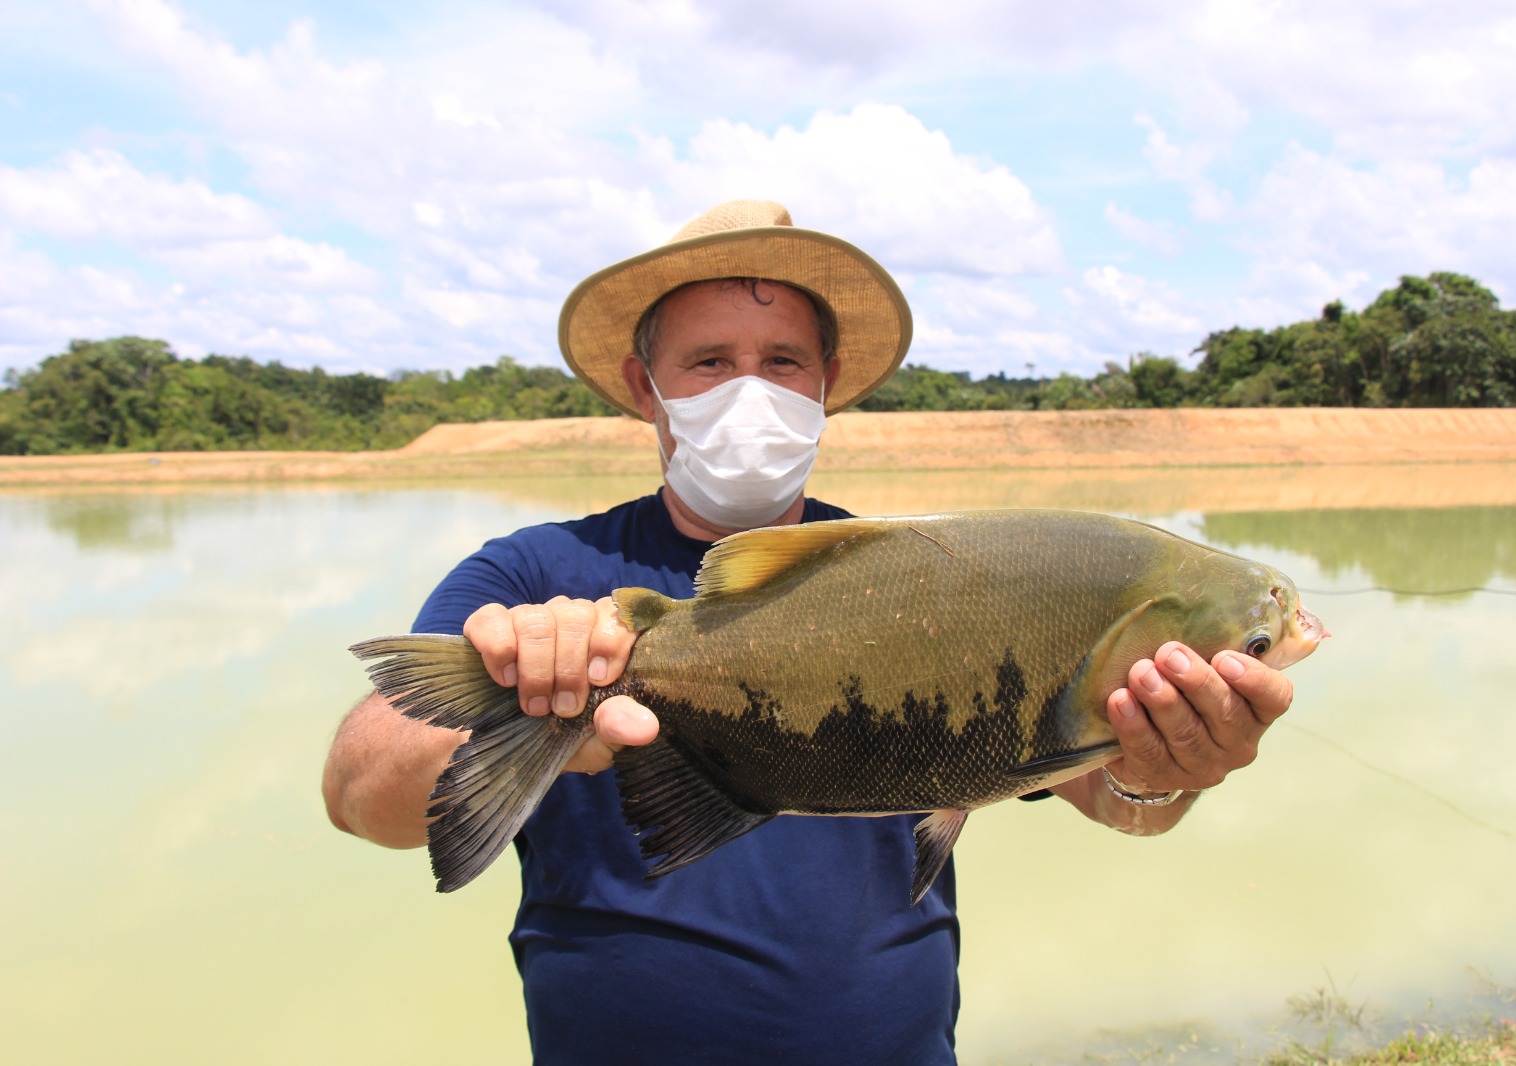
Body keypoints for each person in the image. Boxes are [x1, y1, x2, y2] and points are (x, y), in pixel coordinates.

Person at [321, 200, 1296, 1064]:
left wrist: (1164, 767)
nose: (750, 387)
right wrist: (538, 705)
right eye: (709, 361)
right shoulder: (537, 575)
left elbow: (1117, 796)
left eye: (780, 361)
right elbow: (362, 797)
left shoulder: (929, 579)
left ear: (824, 380)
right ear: (644, 382)